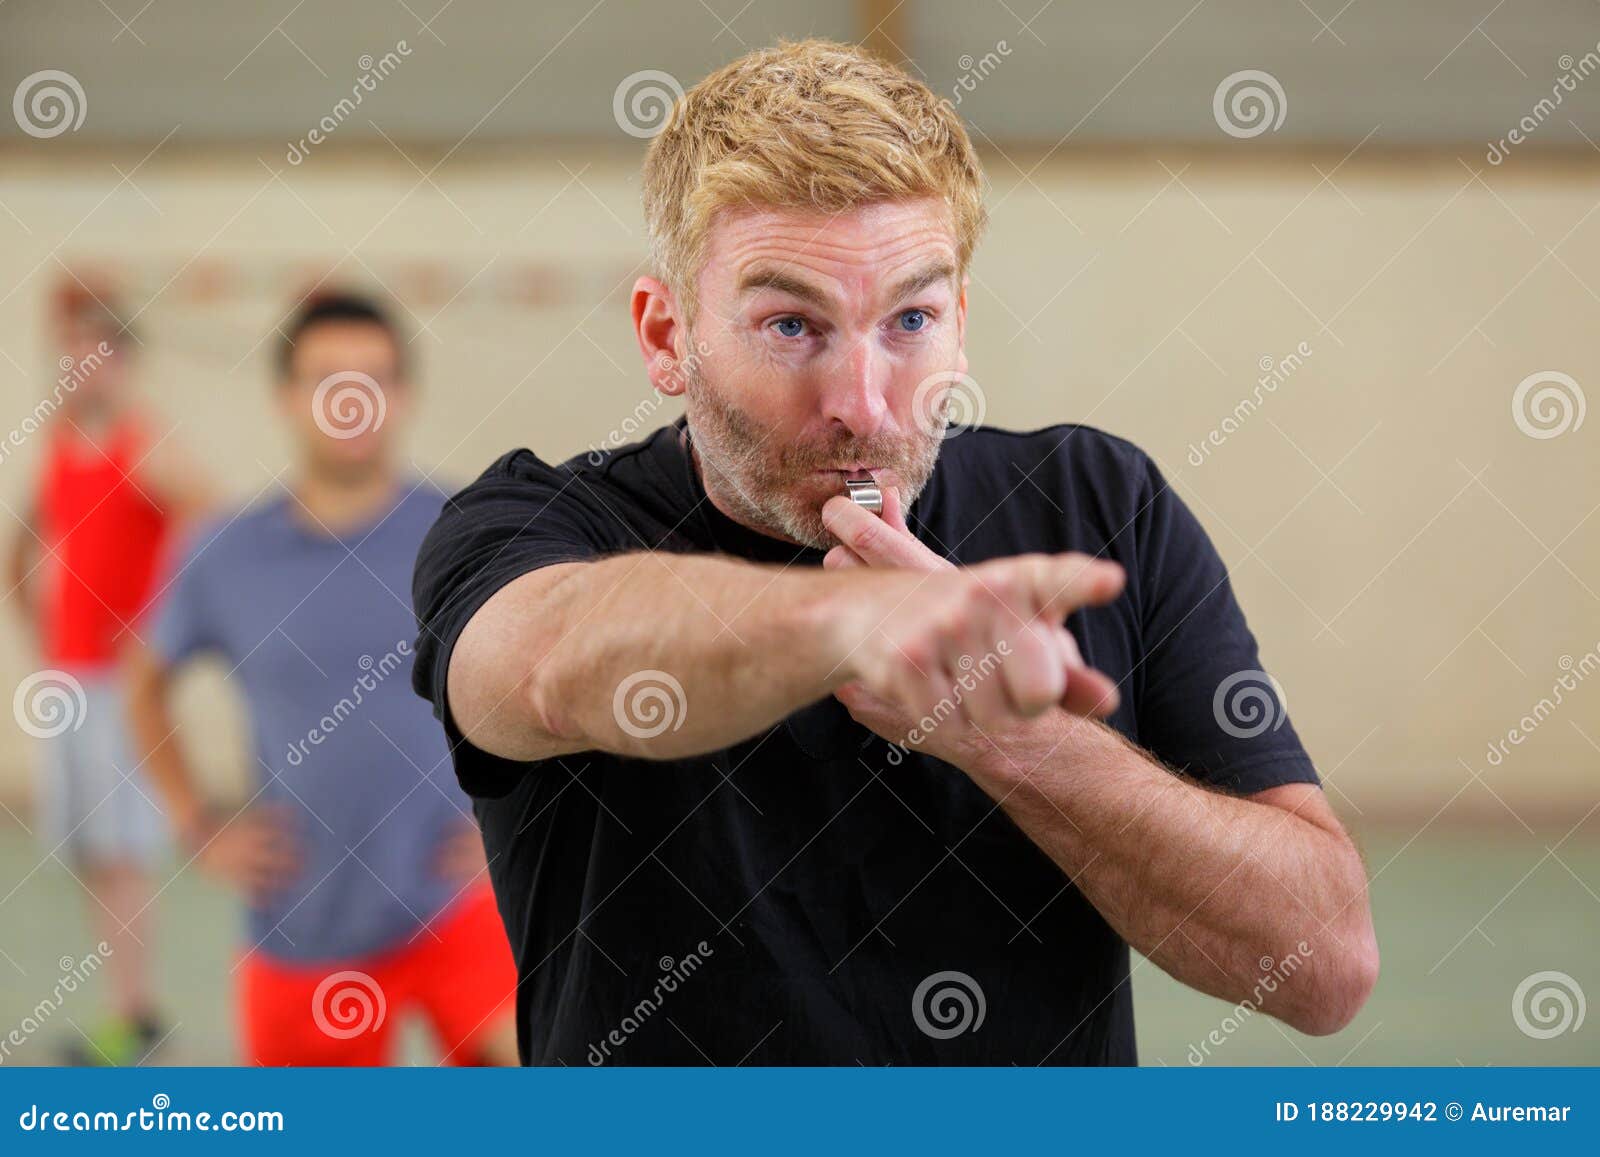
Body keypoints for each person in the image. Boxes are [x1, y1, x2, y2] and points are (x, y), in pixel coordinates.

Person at [410, 39, 1379, 1065]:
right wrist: (850, 626)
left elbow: (1323, 966)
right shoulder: (532, 523)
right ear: (666, 335)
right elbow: (554, 661)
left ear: (958, 328)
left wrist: (1011, 734)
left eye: (909, 319)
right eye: (791, 324)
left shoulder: (1096, 505)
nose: (862, 406)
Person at [125, 292, 516, 1065]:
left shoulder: (467, 528)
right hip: (300, 929)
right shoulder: (224, 554)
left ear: (403, 394)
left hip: (461, 908)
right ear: (286, 395)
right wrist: (195, 822)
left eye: (372, 378)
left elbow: (552, 676)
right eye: (326, 377)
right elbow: (143, 683)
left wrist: (521, 817)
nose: (350, 401)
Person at [6, 287, 212, 1065]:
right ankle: (125, 1007)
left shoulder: (144, 445)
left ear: (122, 361)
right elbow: (18, 548)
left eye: (93, 349)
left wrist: (161, 639)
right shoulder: (57, 448)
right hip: (68, 683)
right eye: (67, 349)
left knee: (124, 855)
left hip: (121, 692)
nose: (76, 364)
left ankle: (137, 1014)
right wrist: (42, 637)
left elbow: (208, 517)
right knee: (93, 854)